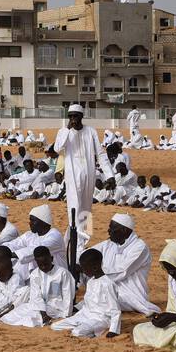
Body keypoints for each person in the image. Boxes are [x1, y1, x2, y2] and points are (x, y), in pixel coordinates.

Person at [48, 104, 112, 260]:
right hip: (72, 176)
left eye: (75, 116)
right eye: (70, 116)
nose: (73, 119)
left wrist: (110, 175)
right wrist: (67, 129)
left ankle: (80, 244)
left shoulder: (91, 132)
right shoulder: (63, 132)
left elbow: (101, 154)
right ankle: (73, 245)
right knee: (74, 209)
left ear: (81, 117)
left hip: (89, 175)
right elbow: (57, 149)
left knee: (86, 211)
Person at [50, 248, 121, 338]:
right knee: (55, 326)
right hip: (85, 315)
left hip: (100, 319)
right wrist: (76, 307)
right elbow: (88, 300)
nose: (83, 271)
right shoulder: (91, 281)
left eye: (84, 268)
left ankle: (94, 332)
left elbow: (115, 310)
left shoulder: (107, 284)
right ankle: (84, 328)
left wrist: (113, 331)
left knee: (77, 332)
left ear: (94, 267)